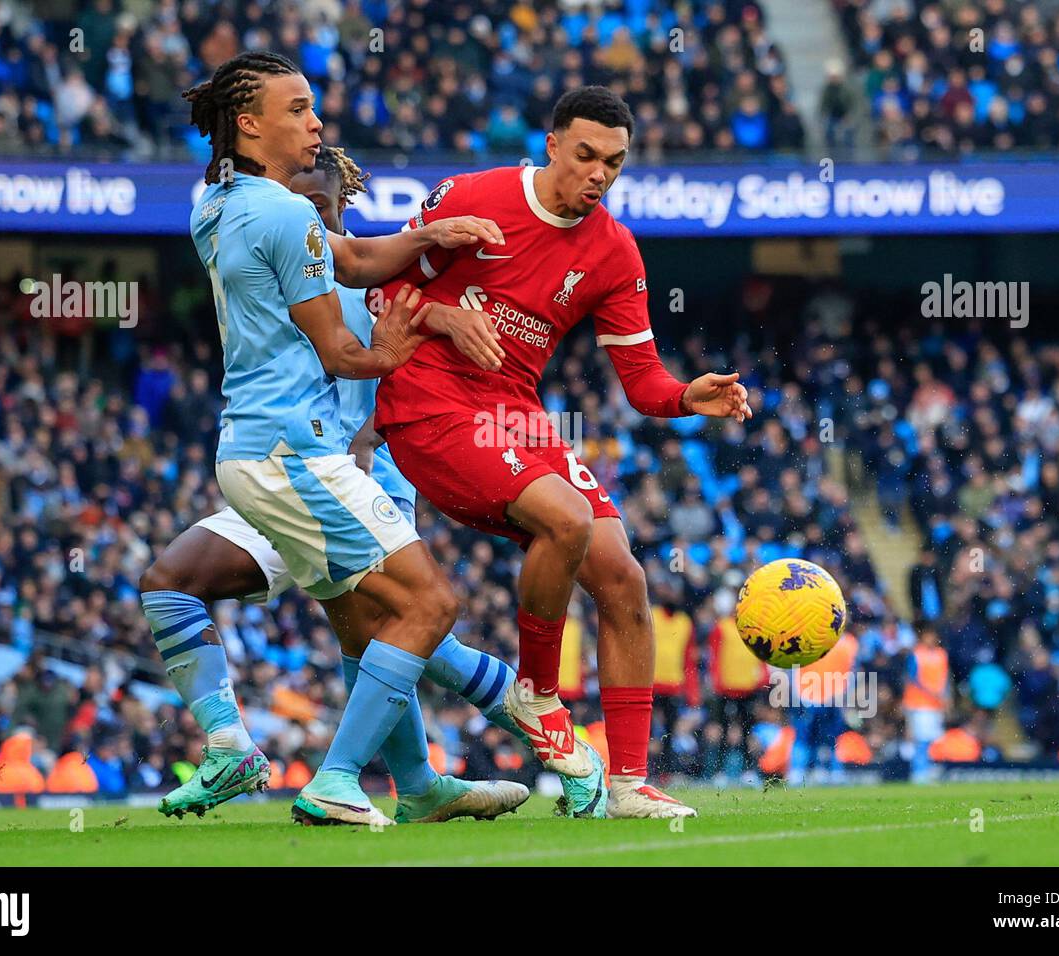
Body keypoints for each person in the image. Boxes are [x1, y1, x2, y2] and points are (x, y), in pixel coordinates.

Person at [145, 141, 605, 822]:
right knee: (172, 583)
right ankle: (237, 747)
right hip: (286, 470)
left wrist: (443, 318)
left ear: (341, 209)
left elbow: (419, 332)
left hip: (355, 477)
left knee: (402, 636)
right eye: (295, 204)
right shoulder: (268, 256)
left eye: (320, 208)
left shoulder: (376, 276)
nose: (307, 221)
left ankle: (543, 758)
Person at [372, 86, 752, 817]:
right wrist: (448, 317)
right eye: (585, 155)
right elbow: (373, 288)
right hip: (429, 402)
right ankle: (537, 694)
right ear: (551, 146)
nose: (599, 174)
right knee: (569, 520)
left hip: (515, 412)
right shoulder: (472, 197)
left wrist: (684, 397)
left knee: (623, 577)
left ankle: (630, 783)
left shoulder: (613, 250)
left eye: (614, 162)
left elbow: (641, 382)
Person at [165, 50, 518, 827]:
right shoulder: (287, 214)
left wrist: (429, 234)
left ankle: (415, 785)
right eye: (297, 110)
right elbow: (343, 354)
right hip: (300, 451)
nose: (315, 122)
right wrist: (387, 353)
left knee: (369, 624)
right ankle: (338, 781)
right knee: (431, 602)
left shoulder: (216, 203)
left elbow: (352, 257)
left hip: (257, 450)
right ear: (248, 124)